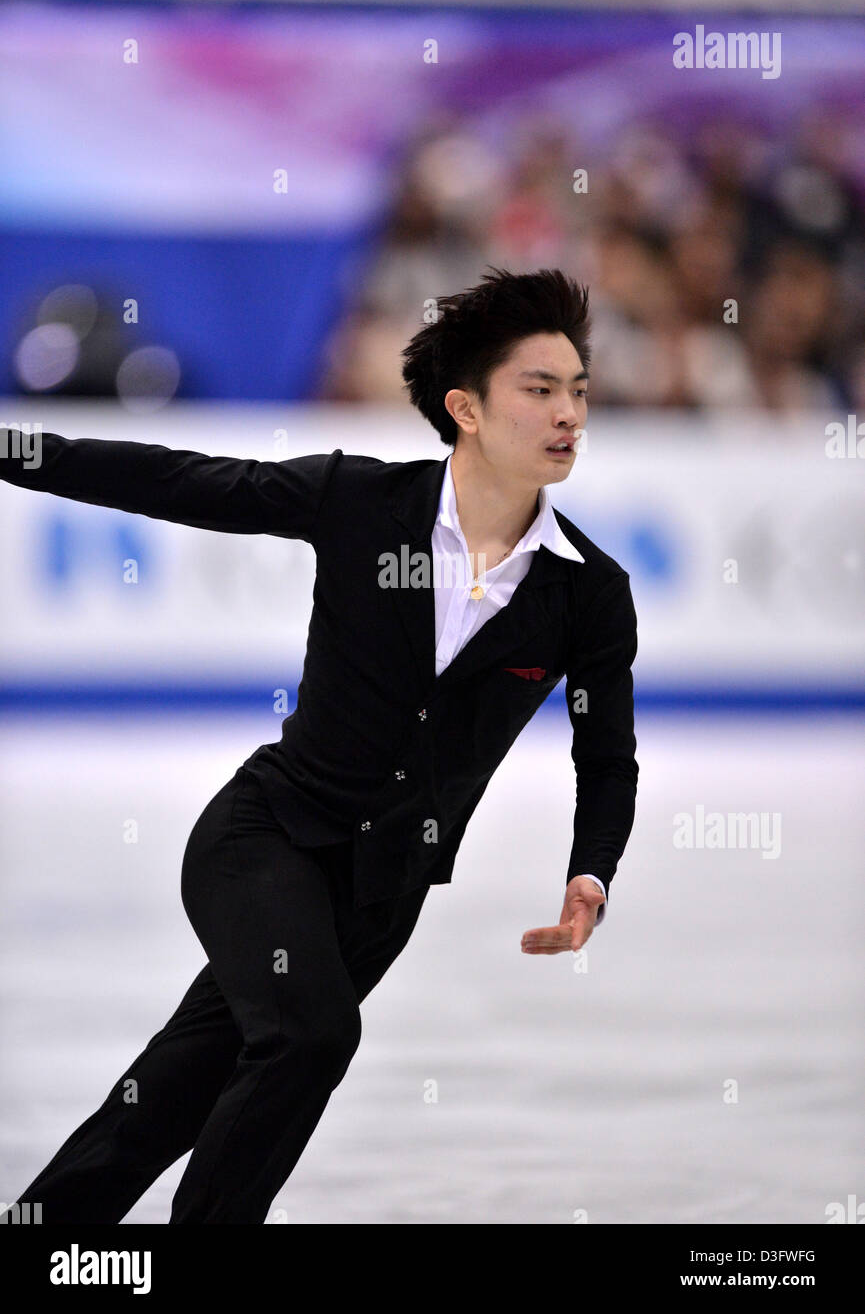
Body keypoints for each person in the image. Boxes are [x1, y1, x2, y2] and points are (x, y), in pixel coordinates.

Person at [0, 266, 638, 1225]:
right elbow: (181, 480)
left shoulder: (586, 588)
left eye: (578, 391)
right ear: (466, 407)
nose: (568, 415)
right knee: (310, 1038)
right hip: (266, 839)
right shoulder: (361, 501)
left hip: (381, 894)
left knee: (181, 1083)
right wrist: (15, 450)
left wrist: (591, 874)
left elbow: (606, 752)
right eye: (539, 390)